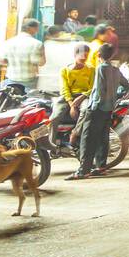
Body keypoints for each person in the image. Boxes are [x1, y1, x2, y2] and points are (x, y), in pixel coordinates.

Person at [70, 43, 121, 180]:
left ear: (98, 55)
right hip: (109, 108)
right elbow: (126, 86)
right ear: (112, 55)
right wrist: (114, 98)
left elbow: (98, 91)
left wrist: (93, 106)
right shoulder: (116, 70)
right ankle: (101, 167)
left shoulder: (100, 68)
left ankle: (83, 171)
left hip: (97, 109)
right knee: (102, 138)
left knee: (88, 139)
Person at [52, 43, 94, 145]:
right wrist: (72, 105)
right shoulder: (65, 70)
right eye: (82, 55)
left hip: (84, 96)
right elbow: (64, 89)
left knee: (86, 110)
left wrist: (81, 97)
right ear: (75, 55)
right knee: (55, 117)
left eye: (86, 55)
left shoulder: (91, 69)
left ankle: (75, 133)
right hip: (67, 97)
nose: (84, 58)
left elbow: (92, 87)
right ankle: (51, 142)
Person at [1, 18, 46, 91]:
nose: (37, 30)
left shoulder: (8, 42)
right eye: (37, 28)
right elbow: (40, 63)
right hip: (28, 79)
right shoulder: (37, 44)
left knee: (13, 100)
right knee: (27, 100)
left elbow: (2, 60)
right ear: (31, 28)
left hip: (12, 77)